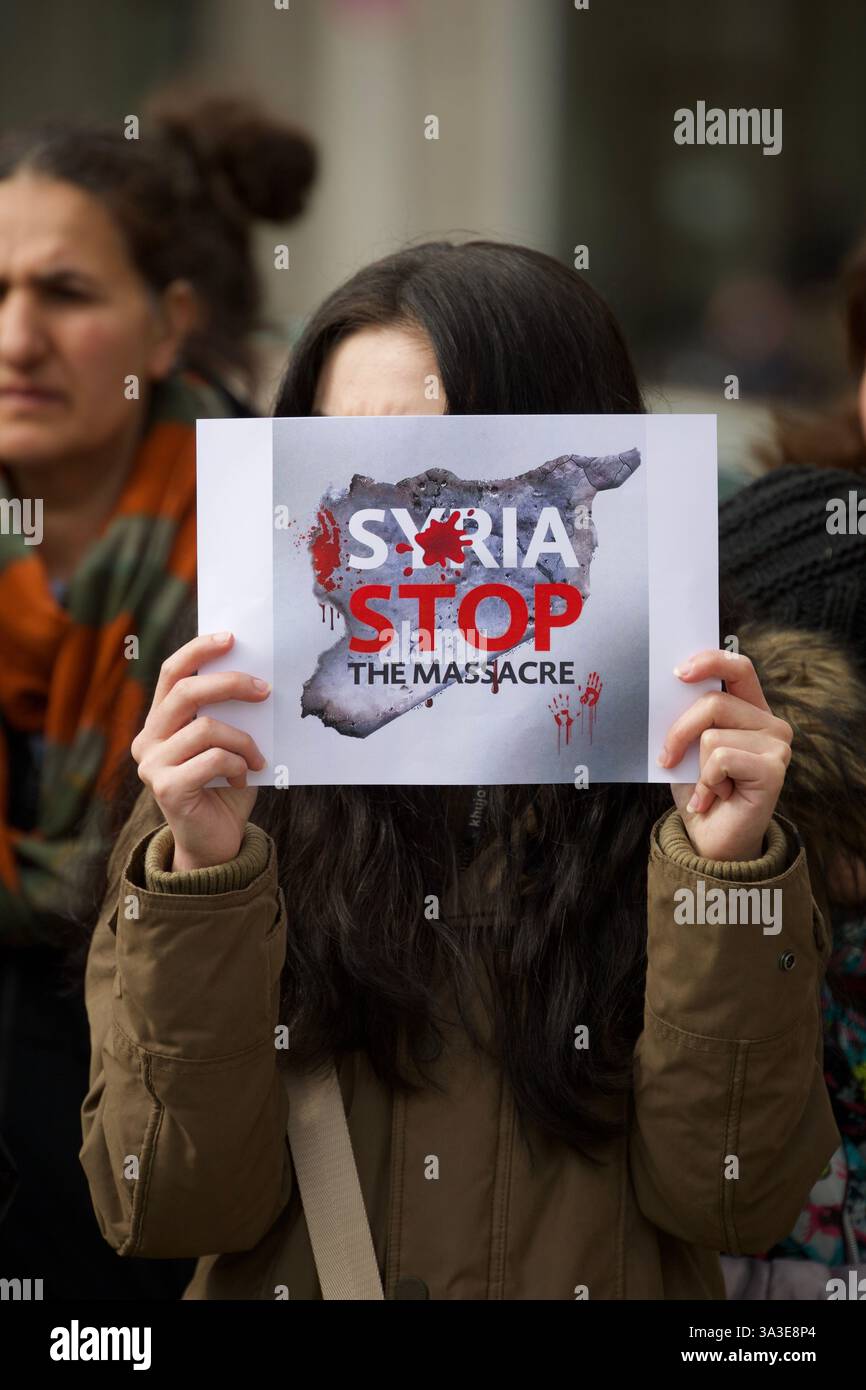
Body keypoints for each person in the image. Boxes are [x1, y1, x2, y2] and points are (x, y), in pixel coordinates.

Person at [82, 241, 846, 1300]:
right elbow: (164, 1206)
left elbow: (732, 1201)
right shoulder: (221, 803)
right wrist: (206, 879)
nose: (409, 524)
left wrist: (721, 881)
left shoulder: (695, 798)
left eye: (455, 468)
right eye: (349, 465)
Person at [0, 97, 316, 1298]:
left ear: (170, 321)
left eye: (65, 293)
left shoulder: (290, 559)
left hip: (185, 1222)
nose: (17, 338)